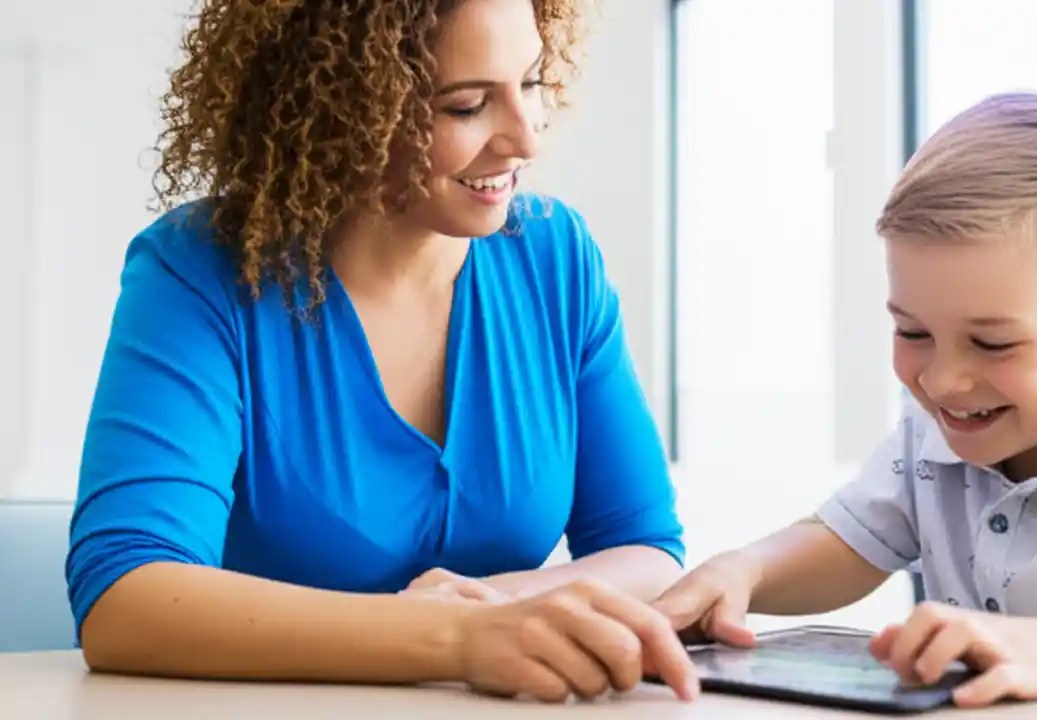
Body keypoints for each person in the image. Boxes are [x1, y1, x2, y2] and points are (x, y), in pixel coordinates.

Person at [66, 0, 698, 703]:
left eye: (532, 82)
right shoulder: (201, 272)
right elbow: (125, 599)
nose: (526, 139)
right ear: (343, 106)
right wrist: (456, 637)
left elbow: (648, 551)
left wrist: (503, 610)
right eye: (465, 106)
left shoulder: (555, 257)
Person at [655, 92, 1037, 708]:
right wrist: (744, 571)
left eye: (992, 343)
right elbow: (848, 541)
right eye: (912, 333)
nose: (942, 381)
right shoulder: (934, 441)